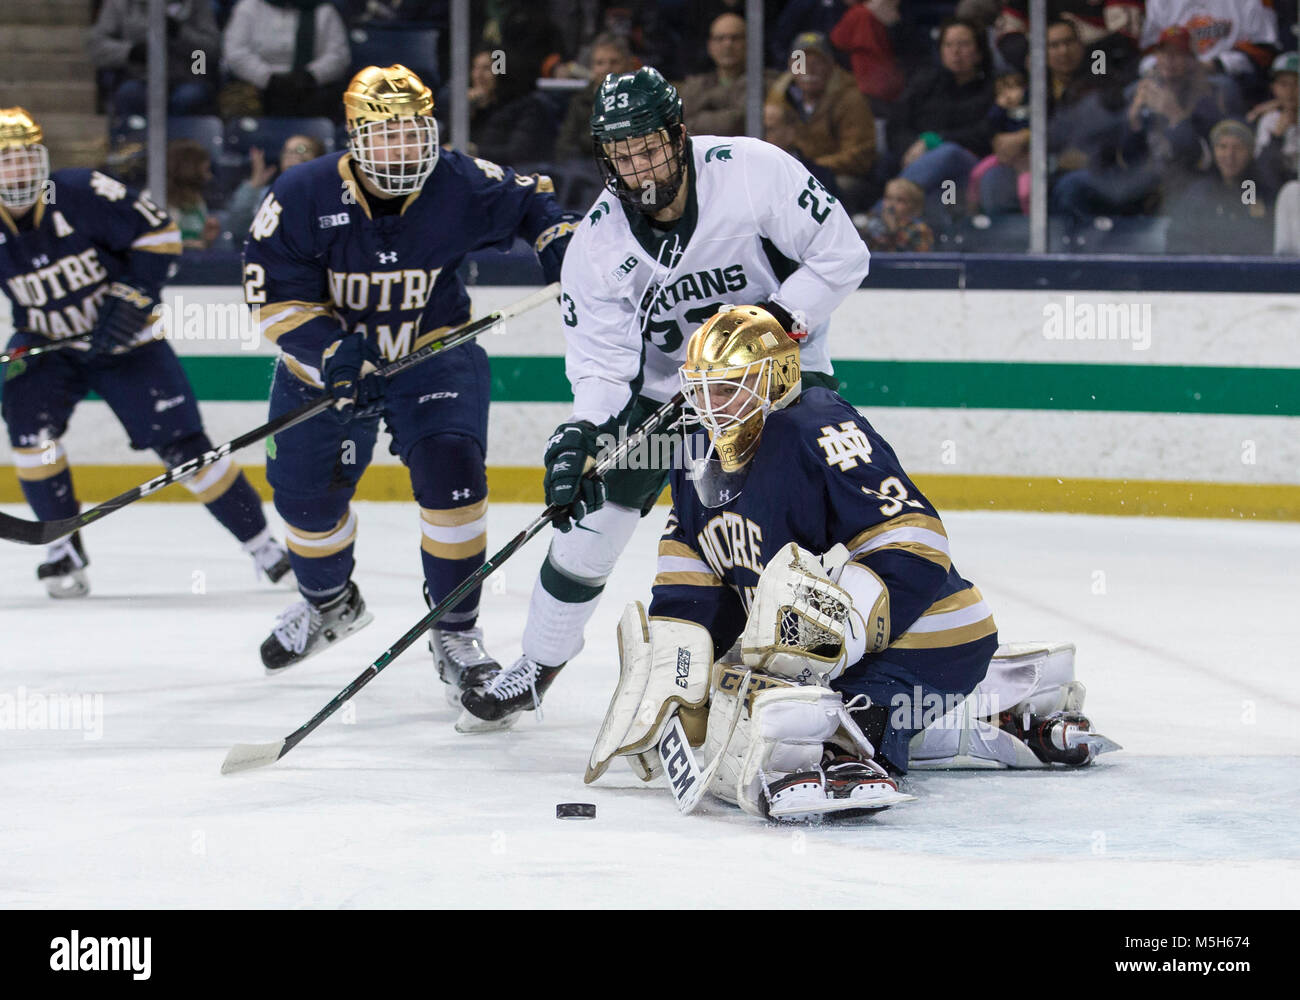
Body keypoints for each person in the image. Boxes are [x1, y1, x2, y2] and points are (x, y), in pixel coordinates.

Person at [456, 67, 871, 732]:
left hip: (772, 368)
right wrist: (581, 434)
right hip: (665, 394)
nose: (639, 169)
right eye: (622, 156)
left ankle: (863, 639)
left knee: (810, 503)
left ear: (679, 135)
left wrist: (775, 318)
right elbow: (601, 365)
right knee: (589, 523)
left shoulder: (753, 171)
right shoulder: (597, 242)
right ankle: (538, 662)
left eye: (649, 148)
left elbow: (842, 256)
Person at [584, 307, 1119, 821]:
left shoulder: (816, 427)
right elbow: (694, 567)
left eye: (727, 387)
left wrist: (825, 638)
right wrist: (682, 671)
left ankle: (883, 736)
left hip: (928, 638)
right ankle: (987, 712)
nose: (711, 405)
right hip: (833, 656)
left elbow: (914, 541)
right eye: (701, 388)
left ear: (775, 379)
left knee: (793, 728)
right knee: (737, 710)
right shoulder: (694, 452)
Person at [243, 66, 577, 685]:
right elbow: (272, 296)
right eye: (386, 135)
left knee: (454, 483)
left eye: (414, 132)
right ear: (355, 136)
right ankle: (328, 603)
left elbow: (530, 197)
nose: (403, 149)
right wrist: (332, 352)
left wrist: (554, 234)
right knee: (306, 507)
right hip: (326, 373)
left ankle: (456, 635)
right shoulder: (300, 194)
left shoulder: (457, 181)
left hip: (430, 354)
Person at [0, 107, 290, 599]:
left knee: (188, 451)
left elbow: (160, 233)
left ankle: (263, 547)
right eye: (5, 162)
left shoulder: (80, 193)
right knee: (32, 439)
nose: (18, 171)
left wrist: (132, 298)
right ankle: (62, 549)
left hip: (128, 343)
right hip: (47, 346)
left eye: (26, 158)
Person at [766, 32, 878, 209]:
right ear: (790, 66)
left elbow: (859, 156)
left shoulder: (850, 98)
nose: (808, 69)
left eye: (817, 62)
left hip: (837, 175)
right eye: (800, 61)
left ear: (832, 65)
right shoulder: (779, 96)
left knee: (836, 187)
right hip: (793, 171)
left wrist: (813, 167)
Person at [221, 0, 351, 118]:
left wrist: (310, 76)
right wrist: (268, 78)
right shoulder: (249, 7)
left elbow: (338, 55)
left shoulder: (323, 10)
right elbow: (236, 53)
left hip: (309, 86)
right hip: (258, 85)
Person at [88, 0, 220, 116]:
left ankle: (185, 141)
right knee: (130, 94)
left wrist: (181, 34)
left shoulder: (196, 3)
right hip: (139, 77)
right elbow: (97, 46)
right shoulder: (121, 3)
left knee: (189, 98)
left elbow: (212, 49)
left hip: (188, 78)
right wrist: (131, 52)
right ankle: (135, 141)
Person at [1166, 118, 1275, 254]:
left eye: (1238, 147)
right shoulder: (1199, 191)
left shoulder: (1256, 190)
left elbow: (1262, 239)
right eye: (1222, 147)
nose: (1229, 155)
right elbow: (1178, 240)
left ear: (1250, 153)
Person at [675, 13, 774, 139]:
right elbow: (681, 124)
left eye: (735, 38)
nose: (727, 44)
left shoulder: (763, 82)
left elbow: (734, 124)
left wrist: (699, 117)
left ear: (748, 43)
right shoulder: (695, 85)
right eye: (720, 38)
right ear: (710, 46)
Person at [225, 134, 327, 242]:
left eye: (300, 149)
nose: (290, 156)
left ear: (318, 158)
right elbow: (238, 229)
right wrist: (254, 184)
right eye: (286, 151)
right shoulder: (266, 195)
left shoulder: (329, 194)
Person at [555, 34, 633, 161]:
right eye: (600, 63)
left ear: (628, 65)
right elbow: (564, 147)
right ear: (592, 68)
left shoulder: (640, 99)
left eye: (614, 62)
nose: (607, 69)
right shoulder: (579, 101)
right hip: (585, 169)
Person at [166, 140, 221, 251]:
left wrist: (207, 239)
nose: (209, 177)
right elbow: (153, 244)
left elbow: (201, 245)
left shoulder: (197, 200)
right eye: (206, 171)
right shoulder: (153, 197)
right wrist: (187, 245)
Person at [859, 177, 933, 250]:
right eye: (888, 198)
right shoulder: (873, 224)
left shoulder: (919, 230)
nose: (891, 205)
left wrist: (892, 231)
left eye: (900, 200)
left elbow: (915, 258)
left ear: (913, 206)